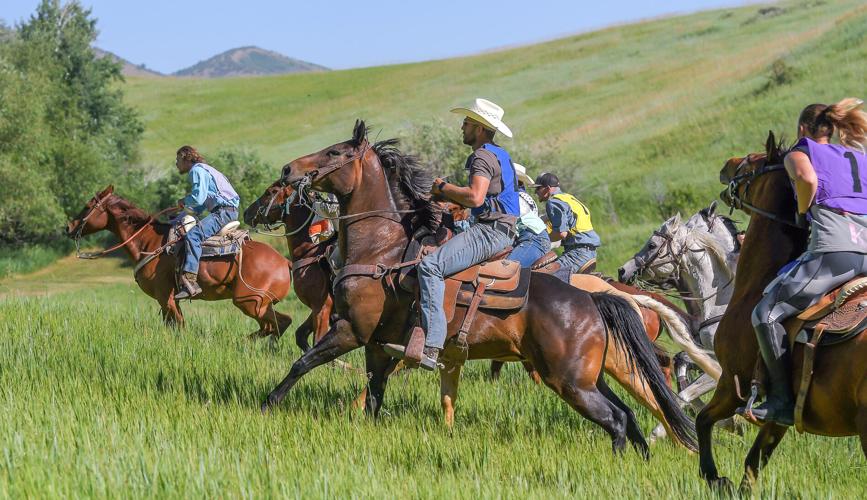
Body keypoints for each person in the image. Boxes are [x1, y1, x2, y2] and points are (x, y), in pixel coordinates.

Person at [738, 98, 867, 425]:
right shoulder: (858, 156)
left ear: (802, 129)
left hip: (836, 252)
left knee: (765, 314)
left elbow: (807, 179)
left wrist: (802, 210)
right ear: (834, 127)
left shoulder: (801, 151)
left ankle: (780, 402)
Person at [385, 98, 520, 371]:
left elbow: (475, 196)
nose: (462, 127)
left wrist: (443, 188)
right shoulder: (499, 154)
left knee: (431, 267)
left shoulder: (481, 156)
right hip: (500, 228)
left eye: (467, 123)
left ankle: (431, 347)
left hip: (491, 231)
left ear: (480, 128)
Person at [174, 146, 240, 300]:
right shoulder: (206, 169)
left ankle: (190, 282)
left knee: (193, 236)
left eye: (178, 160)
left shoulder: (196, 171)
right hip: (227, 210)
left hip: (223, 212)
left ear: (185, 158)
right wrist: (183, 213)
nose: (176, 164)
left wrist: (183, 201)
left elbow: (197, 198)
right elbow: (203, 202)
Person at [534, 172, 601, 278]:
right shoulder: (568, 198)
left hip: (577, 253)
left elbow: (561, 234)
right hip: (590, 252)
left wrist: (540, 238)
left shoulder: (554, 202)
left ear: (547, 188)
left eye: (538, 189)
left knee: (543, 278)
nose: (535, 192)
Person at [508, 163, 551, 267]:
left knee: (506, 269)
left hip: (531, 238)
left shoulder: (513, 197)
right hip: (535, 236)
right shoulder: (527, 198)